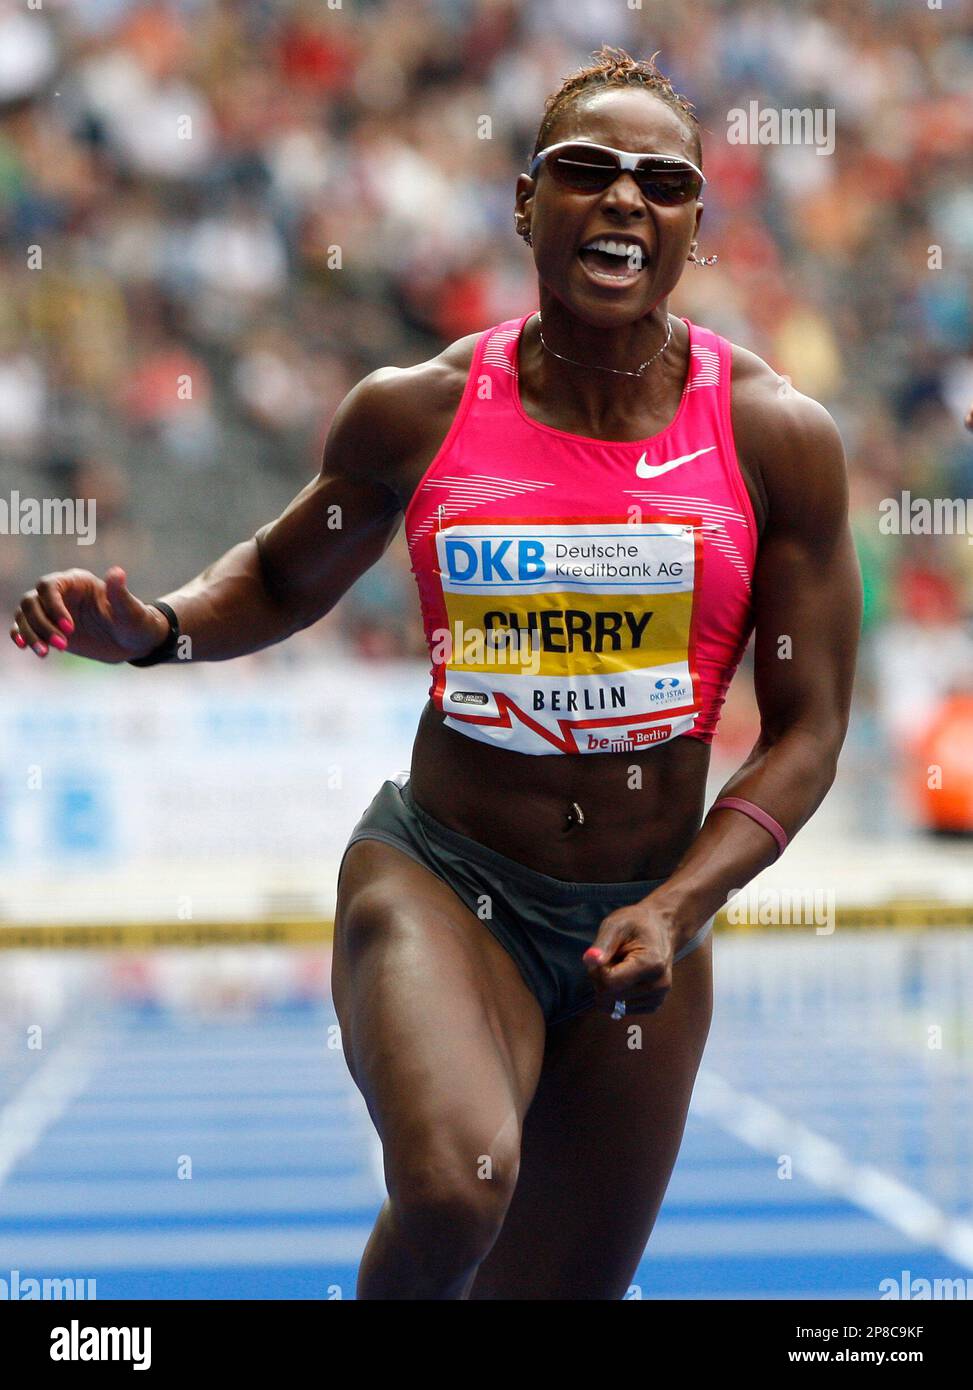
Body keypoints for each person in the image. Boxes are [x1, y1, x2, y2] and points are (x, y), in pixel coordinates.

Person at [9, 47, 862, 1299]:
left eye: (663, 183)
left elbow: (809, 731)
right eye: (587, 170)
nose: (625, 198)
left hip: (644, 918)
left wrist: (679, 907)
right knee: (458, 1183)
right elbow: (282, 575)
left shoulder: (774, 436)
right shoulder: (418, 409)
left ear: (695, 222)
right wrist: (159, 632)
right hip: (444, 883)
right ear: (525, 203)